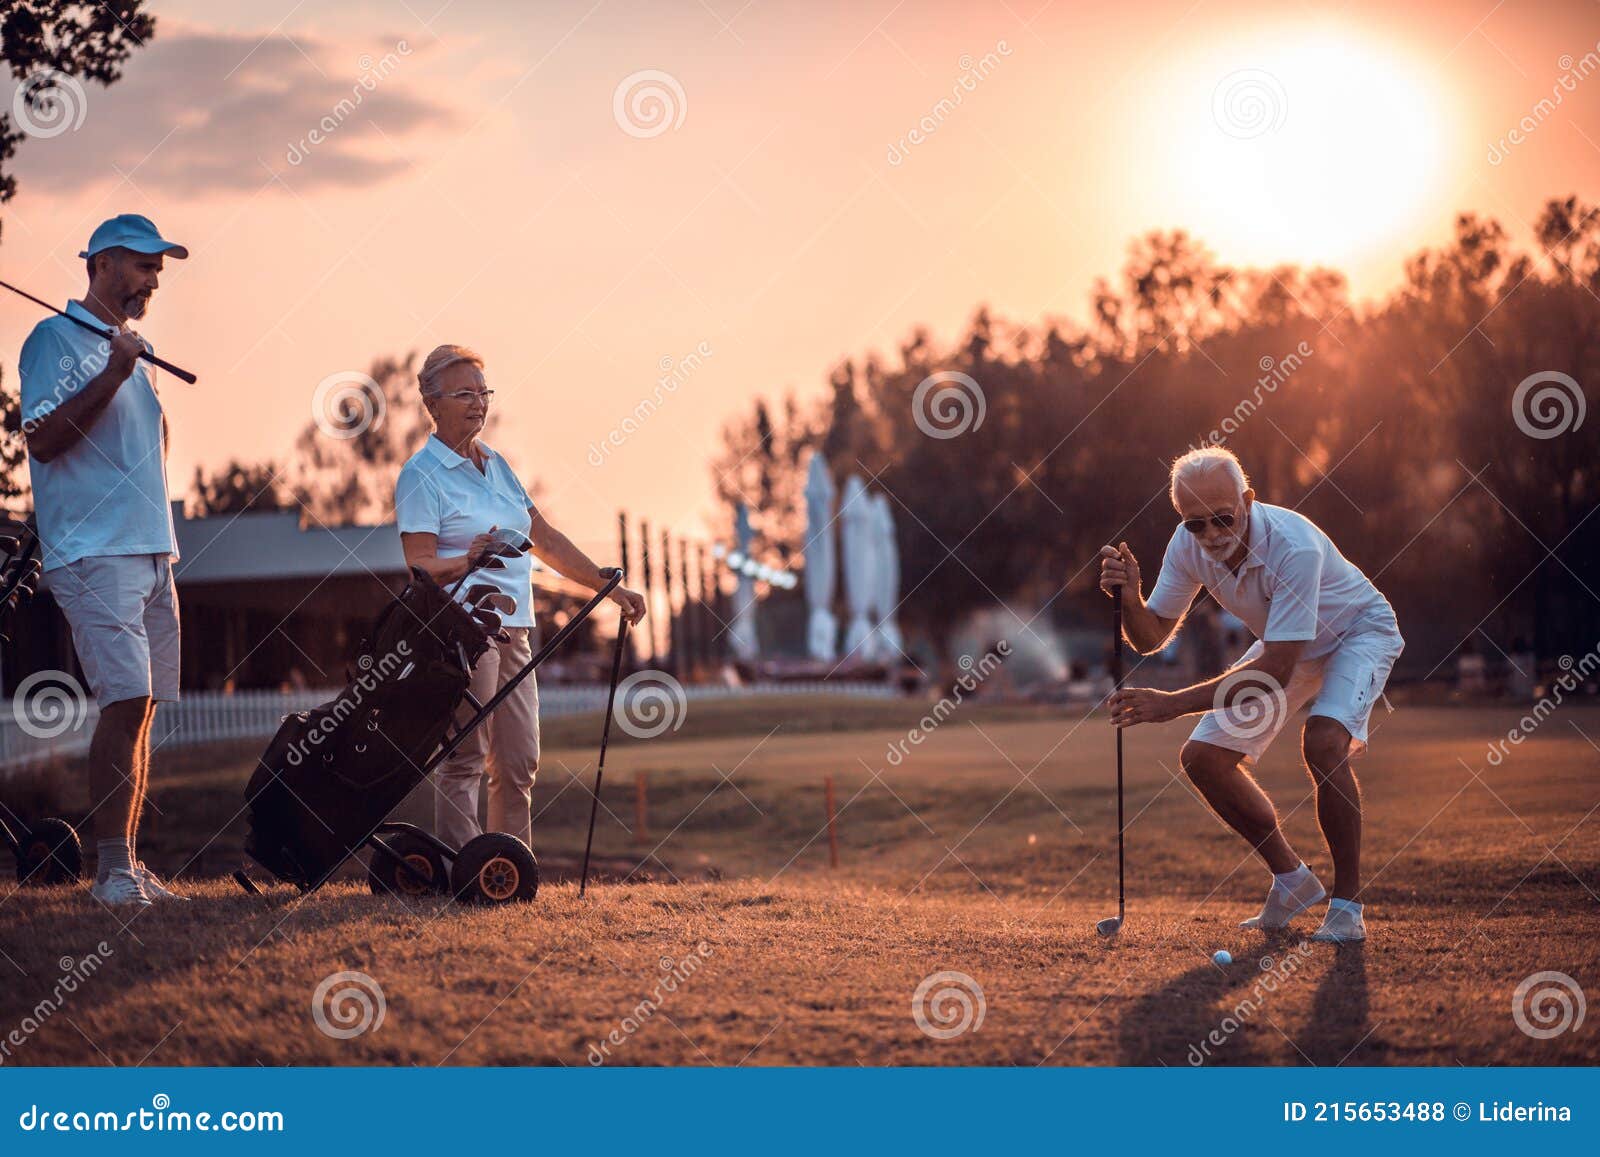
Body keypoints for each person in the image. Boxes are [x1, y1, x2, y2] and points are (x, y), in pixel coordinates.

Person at [1098, 446, 1403, 943]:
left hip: (1357, 632)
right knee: (1203, 757)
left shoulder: (1293, 545)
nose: (1212, 535)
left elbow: (1277, 669)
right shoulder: (1187, 543)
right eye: (1196, 524)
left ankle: (1347, 911)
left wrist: (1172, 704)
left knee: (1324, 744)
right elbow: (1151, 637)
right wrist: (1132, 598)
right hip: (1287, 642)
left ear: (1248, 499)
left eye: (1223, 518)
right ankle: (1292, 881)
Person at [395, 344, 646, 852]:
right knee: (465, 757)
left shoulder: (498, 465)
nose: (478, 403)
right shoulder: (419, 475)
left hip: (516, 631)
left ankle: (507, 873)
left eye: (483, 392)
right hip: (462, 633)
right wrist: (468, 559)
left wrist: (611, 589)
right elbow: (419, 565)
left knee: (518, 762)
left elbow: (546, 541)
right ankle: (462, 872)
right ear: (432, 402)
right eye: (464, 393)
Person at [18, 214, 191, 907]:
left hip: (150, 549)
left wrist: (128, 370)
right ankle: (111, 873)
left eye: (158, 268)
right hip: (94, 551)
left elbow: (147, 448)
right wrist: (116, 373)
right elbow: (43, 437)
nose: (154, 278)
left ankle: (130, 865)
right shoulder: (53, 339)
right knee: (122, 699)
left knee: (141, 706)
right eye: (144, 264)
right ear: (103, 264)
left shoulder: (132, 352)